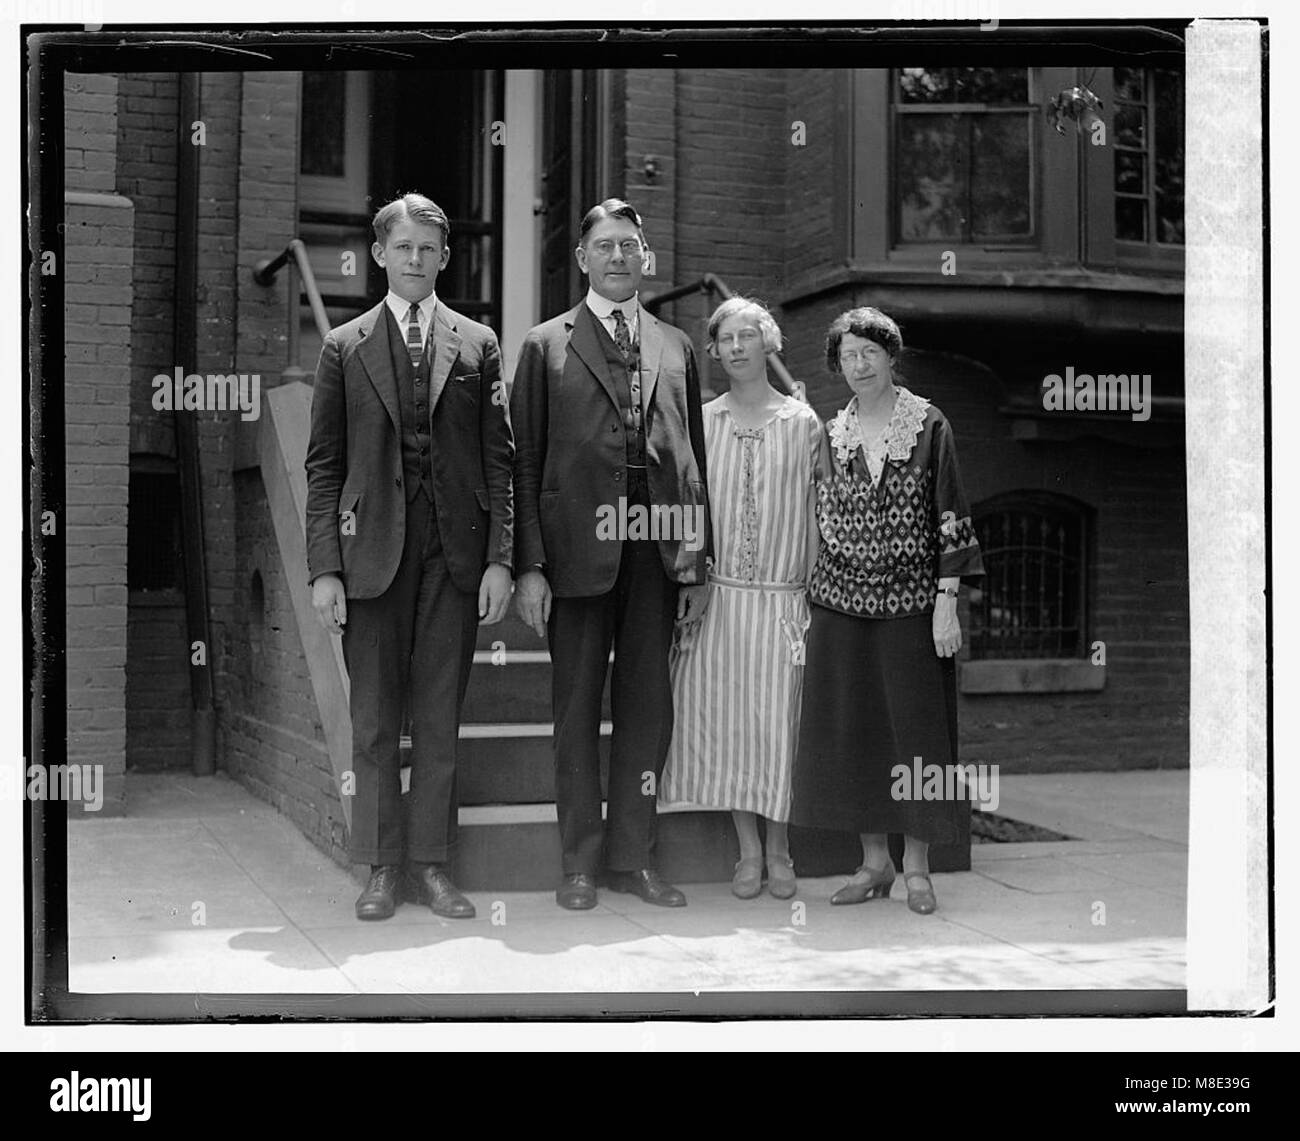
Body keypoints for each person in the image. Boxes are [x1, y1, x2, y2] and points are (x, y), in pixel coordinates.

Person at [305, 193, 514, 922]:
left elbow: (499, 459)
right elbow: (325, 465)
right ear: (380, 254)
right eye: (404, 248)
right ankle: (381, 866)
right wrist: (324, 567)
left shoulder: (478, 342)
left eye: (429, 249)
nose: (416, 260)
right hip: (369, 558)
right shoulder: (344, 345)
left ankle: (430, 864)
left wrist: (499, 559)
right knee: (373, 721)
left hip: (452, 557)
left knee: (436, 719)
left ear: (445, 257)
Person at [510, 198, 712, 911]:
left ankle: (634, 857)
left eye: (631, 244)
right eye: (606, 246)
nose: (620, 256)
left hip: (655, 551)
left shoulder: (676, 345)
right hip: (575, 553)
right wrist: (529, 564)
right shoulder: (545, 344)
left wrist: (694, 557)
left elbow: (695, 461)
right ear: (583, 259)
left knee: (647, 708)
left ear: (645, 256)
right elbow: (524, 460)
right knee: (576, 710)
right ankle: (579, 865)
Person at [790, 307, 983, 915]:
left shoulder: (927, 425)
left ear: (891, 357)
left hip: (912, 607)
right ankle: (872, 864)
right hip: (840, 608)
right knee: (854, 735)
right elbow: (818, 523)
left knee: (916, 736)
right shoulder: (832, 432)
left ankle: (917, 869)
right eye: (848, 356)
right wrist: (806, 604)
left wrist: (946, 604)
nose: (859, 365)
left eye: (869, 353)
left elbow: (951, 515)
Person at [660, 298, 823, 900]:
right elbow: (689, 511)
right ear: (714, 351)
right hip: (722, 601)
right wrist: (693, 578)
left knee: (780, 724)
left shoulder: (803, 423)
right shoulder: (703, 422)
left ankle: (781, 849)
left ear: (768, 342)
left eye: (746, 335)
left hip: (784, 603)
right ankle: (748, 852)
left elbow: (815, 514)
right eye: (725, 338)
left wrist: (810, 594)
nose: (735, 347)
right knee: (726, 723)